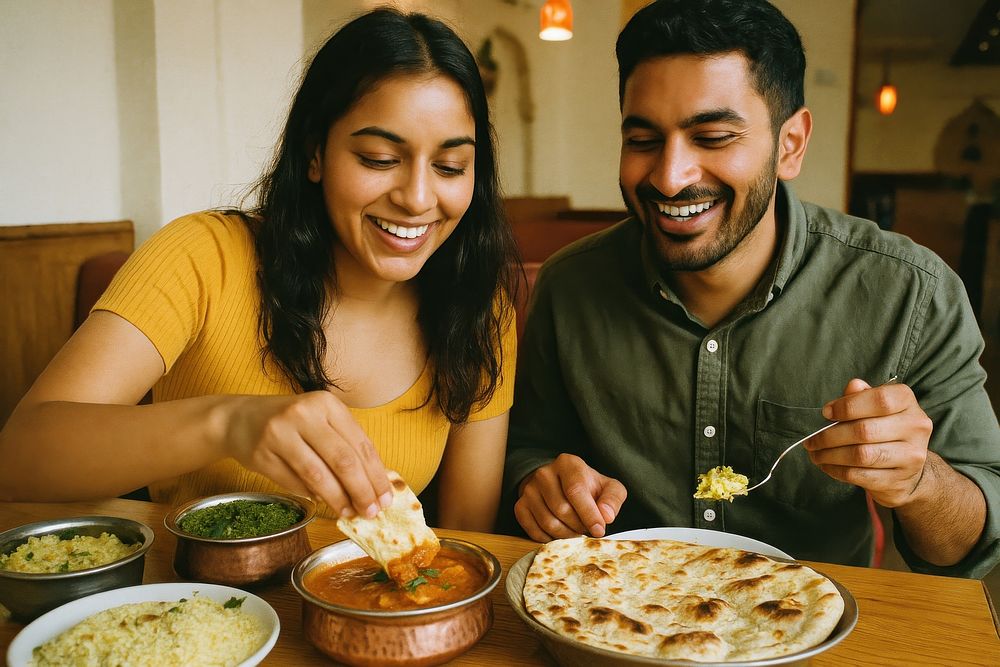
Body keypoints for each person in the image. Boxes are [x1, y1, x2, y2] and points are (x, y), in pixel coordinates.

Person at [505, 0, 1000, 577]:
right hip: (619, 615)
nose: (670, 175)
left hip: (810, 625)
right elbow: (528, 447)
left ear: (790, 144)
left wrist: (919, 482)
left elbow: (973, 549)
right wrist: (537, 481)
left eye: (713, 137)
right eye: (643, 140)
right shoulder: (570, 286)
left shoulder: (910, 293)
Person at [0, 7, 520, 532]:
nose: (418, 197)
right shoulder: (203, 256)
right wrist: (229, 423)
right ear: (315, 153)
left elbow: (469, 544)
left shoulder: (478, 307)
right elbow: (17, 460)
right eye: (379, 158)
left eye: (450, 167)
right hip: (185, 605)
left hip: (370, 610)